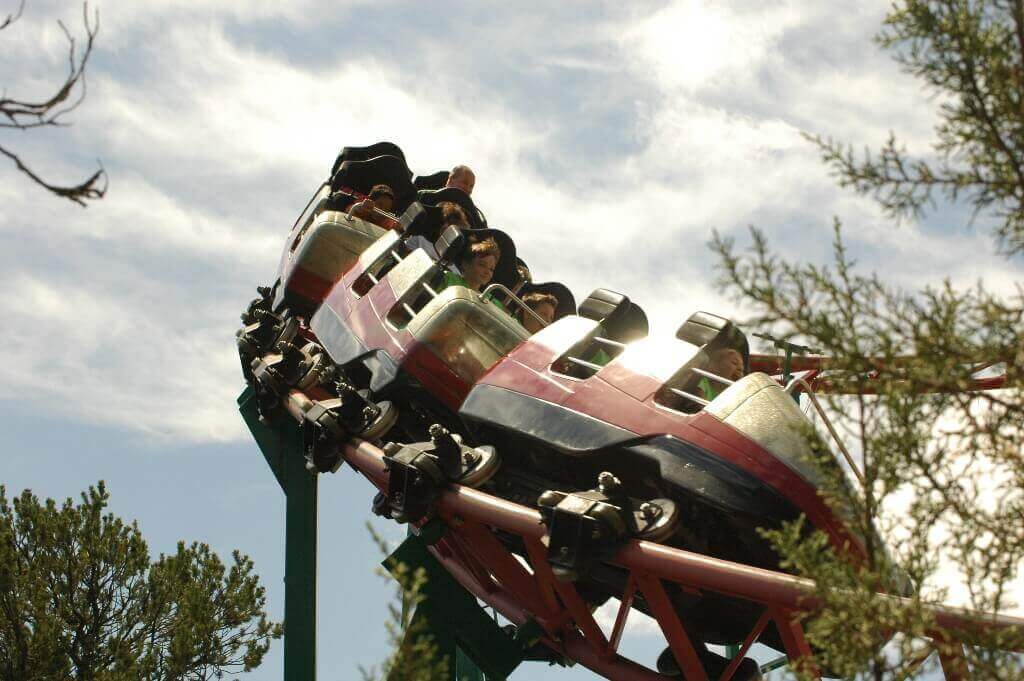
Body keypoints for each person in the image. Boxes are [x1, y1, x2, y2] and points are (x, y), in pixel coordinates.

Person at [441, 236, 507, 312]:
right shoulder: (447, 278)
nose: (487, 272)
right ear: (465, 264)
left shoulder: (492, 301)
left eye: (491, 269)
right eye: (482, 265)